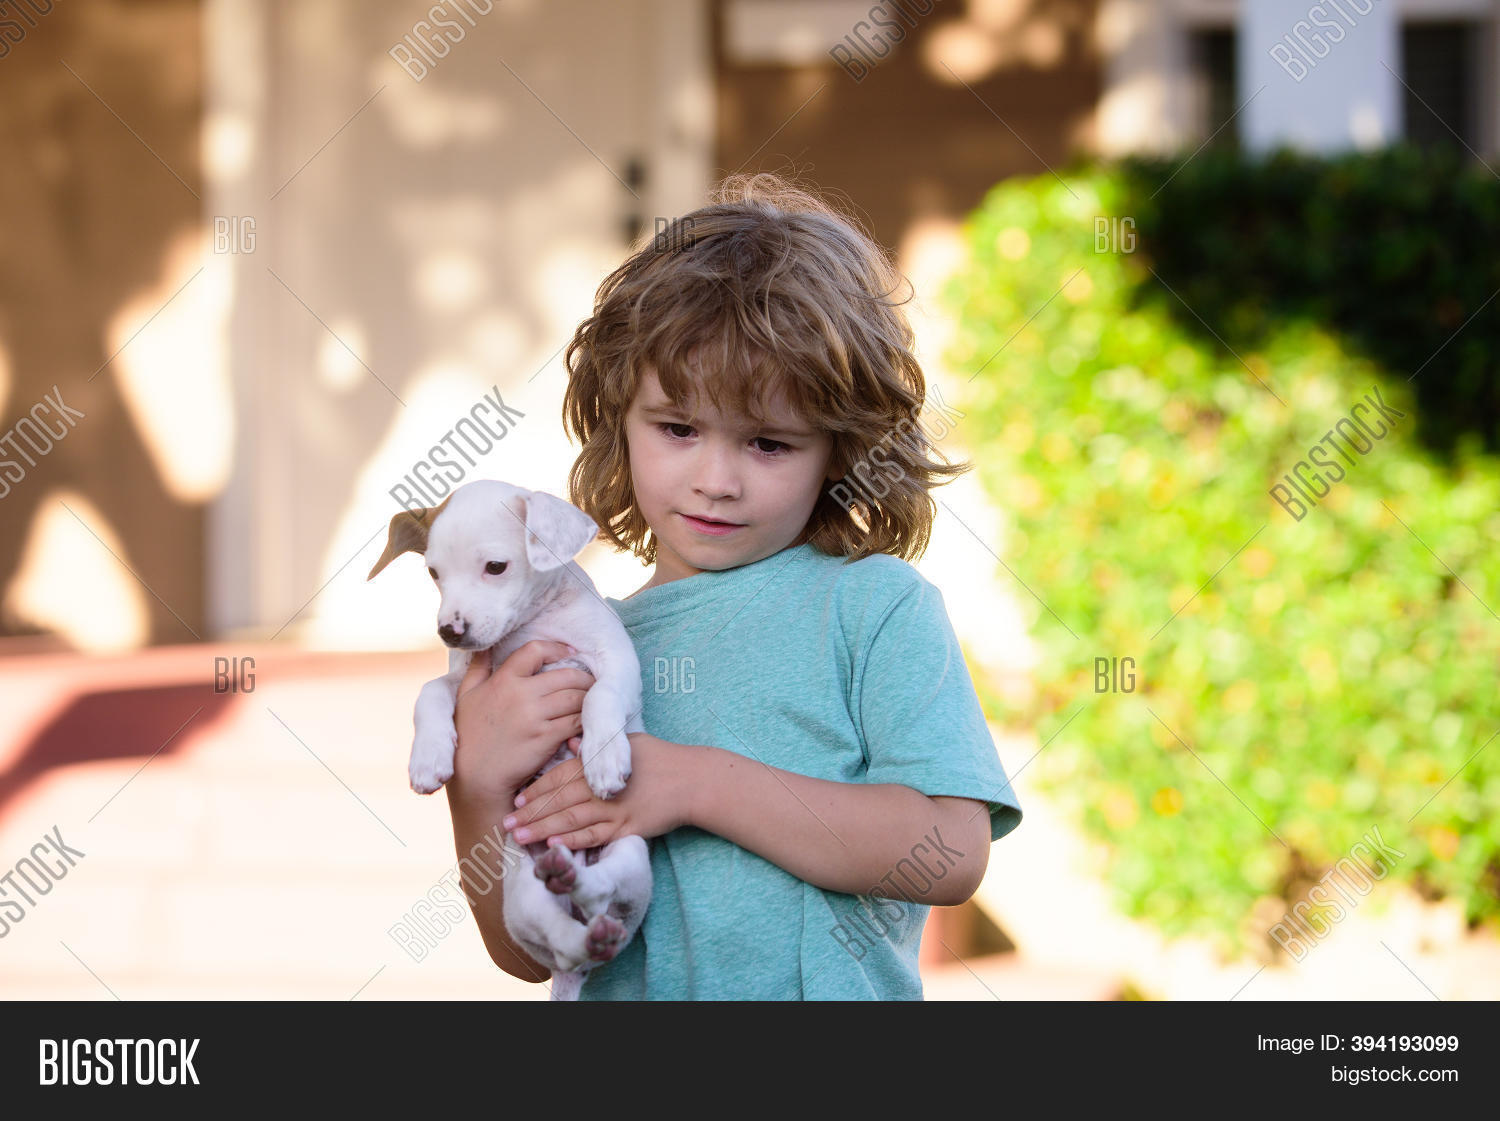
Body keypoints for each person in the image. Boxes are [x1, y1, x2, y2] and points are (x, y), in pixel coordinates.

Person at [443, 172, 1022, 999]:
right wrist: (476, 790)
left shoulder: (872, 608)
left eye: (770, 444)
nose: (717, 480)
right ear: (620, 422)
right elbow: (529, 953)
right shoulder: (572, 652)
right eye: (678, 428)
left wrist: (693, 783)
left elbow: (950, 850)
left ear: (840, 450)